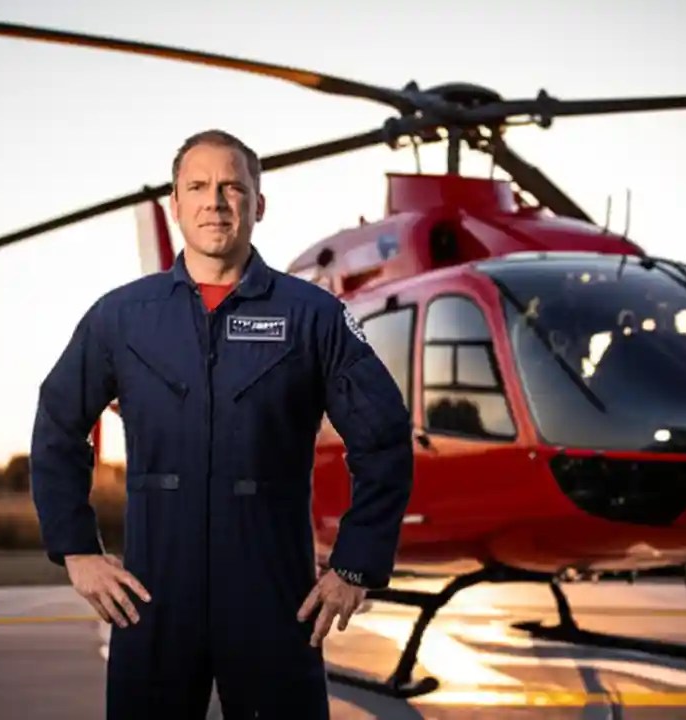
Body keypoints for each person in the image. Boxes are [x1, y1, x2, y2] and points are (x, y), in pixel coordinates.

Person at [29, 129, 414, 718]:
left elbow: (384, 439)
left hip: (276, 599)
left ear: (258, 205)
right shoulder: (121, 317)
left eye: (232, 186)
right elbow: (59, 424)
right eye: (198, 187)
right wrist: (76, 550)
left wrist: (355, 564)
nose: (215, 201)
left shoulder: (313, 316)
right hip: (152, 599)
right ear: (176, 204)